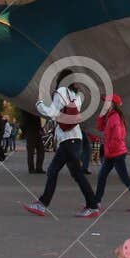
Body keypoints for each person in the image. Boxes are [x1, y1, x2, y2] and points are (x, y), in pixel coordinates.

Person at [23, 70, 99, 217]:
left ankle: (43, 204)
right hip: (76, 137)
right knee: (75, 174)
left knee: (54, 170)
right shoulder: (77, 96)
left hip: (67, 139)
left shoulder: (61, 92)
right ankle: (92, 204)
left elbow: (52, 113)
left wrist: (39, 105)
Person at [92, 94, 130, 212]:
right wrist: (101, 115)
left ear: (113, 104)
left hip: (116, 153)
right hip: (112, 153)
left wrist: (110, 149)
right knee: (103, 177)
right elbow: (100, 128)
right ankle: (96, 202)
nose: (104, 104)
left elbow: (118, 137)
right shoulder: (110, 116)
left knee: (123, 178)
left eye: (107, 102)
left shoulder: (115, 117)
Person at [21, 108, 45, 175]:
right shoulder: (26, 110)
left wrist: (40, 129)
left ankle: (38, 168)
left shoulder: (34, 109)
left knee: (40, 150)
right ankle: (32, 168)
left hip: (36, 132)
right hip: (30, 132)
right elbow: (24, 121)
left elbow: (38, 120)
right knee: (31, 152)